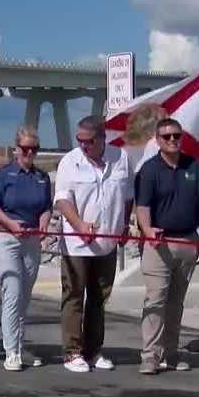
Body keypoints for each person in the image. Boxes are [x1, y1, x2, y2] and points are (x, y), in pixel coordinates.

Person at [54, 115, 133, 373]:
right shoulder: (70, 161)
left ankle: (93, 350)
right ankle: (72, 352)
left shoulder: (121, 158)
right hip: (77, 244)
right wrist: (79, 225)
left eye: (88, 141)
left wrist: (123, 225)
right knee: (74, 296)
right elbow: (63, 200)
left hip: (107, 245)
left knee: (99, 299)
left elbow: (127, 197)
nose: (83, 145)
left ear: (102, 138)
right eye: (79, 140)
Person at [135, 118, 199, 375]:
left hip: (188, 241)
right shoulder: (149, 170)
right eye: (166, 136)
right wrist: (147, 230)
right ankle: (150, 355)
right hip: (159, 244)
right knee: (155, 300)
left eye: (176, 136)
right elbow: (142, 207)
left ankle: (172, 352)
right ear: (157, 140)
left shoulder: (195, 167)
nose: (172, 140)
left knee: (176, 303)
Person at [0, 126, 53, 371]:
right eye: (25, 149)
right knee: (12, 293)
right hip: (7, 238)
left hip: (31, 240)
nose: (29, 153)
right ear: (16, 149)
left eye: (33, 149)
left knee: (24, 296)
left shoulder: (42, 177)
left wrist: (44, 224)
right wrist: (11, 224)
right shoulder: (4, 175)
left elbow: (46, 206)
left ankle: (19, 343)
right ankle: (11, 350)